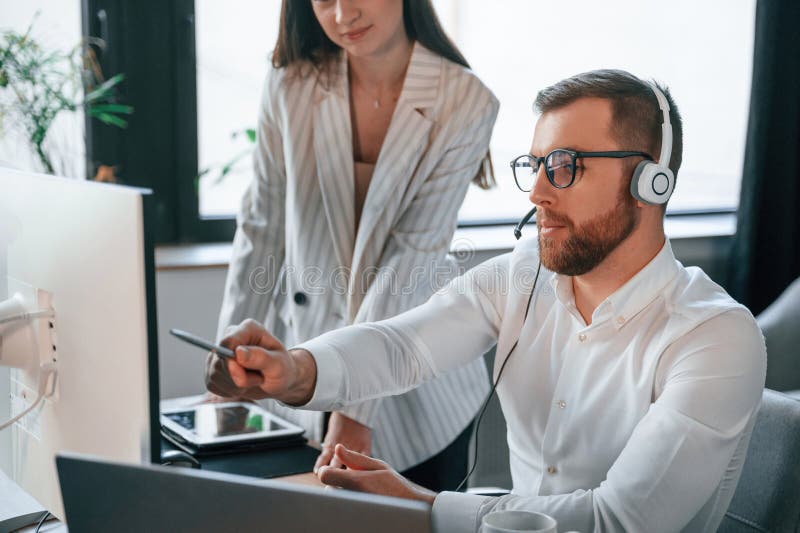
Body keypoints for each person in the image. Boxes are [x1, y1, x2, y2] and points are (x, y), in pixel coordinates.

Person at [207, 70, 766, 532]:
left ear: (650, 182)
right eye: (536, 165)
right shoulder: (523, 276)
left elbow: (617, 522)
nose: (538, 192)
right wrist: (297, 368)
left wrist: (420, 505)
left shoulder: (714, 338)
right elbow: (404, 346)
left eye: (565, 166)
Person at [211, 0, 498, 490]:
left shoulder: (466, 100)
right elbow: (262, 227)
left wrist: (356, 405)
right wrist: (229, 356)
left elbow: (411, 256)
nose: (343, 14)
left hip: (418, 377)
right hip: (302, 361)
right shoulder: (290, 85)